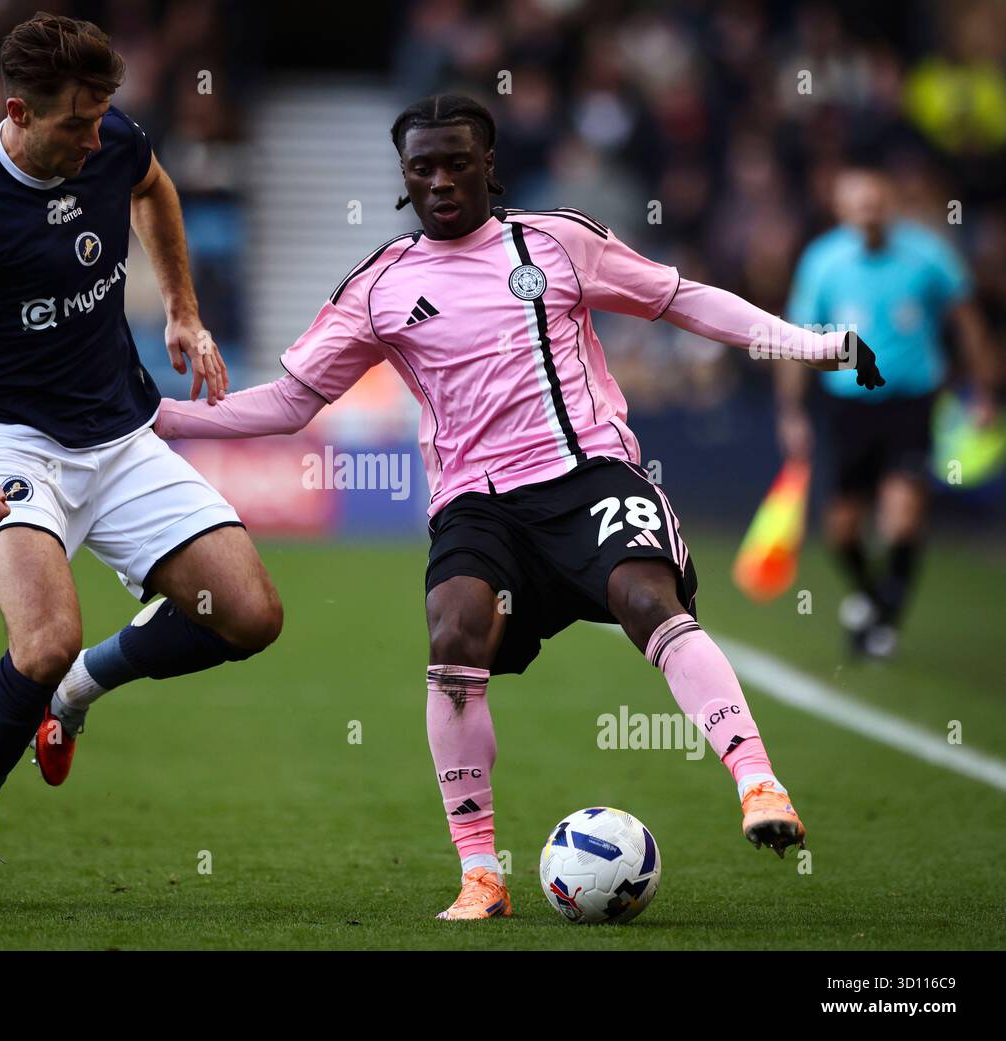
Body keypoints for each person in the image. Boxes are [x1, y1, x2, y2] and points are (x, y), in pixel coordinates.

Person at [58, 94, 884, 920]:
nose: (442, 180)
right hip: (477, 508)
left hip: (587, 475)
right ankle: (482, 873)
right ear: (405, 178)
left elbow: (684, 299)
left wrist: (810, 344)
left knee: (643, 595)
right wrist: (155, 416)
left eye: (458, 162)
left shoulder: (557, 242)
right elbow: (287, 404)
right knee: (453, 632)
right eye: (424, 167)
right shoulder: (380, 287)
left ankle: (758, 783)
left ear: (490, 165)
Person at [0, 13, 282, 909]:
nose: (97, 137)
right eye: (77, 123)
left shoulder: (112, 140)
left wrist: (182, 306)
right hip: (8, 441)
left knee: (251, 615)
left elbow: (155, 189)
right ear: (19, 111)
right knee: (41, 636)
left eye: (104, 117)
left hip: (118, 433)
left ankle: (80, 687)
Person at [778, 164, 998, 659]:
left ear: (890, 204)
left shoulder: (928, 256)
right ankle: (872, 599)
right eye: (857, 204)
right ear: (841, 209)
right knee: (842, 529)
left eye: (876, 202)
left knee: (901, 518)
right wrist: (791, 411)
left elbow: (968, 321)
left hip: (911, 402)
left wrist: (983, 392)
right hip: (847, 404)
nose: (868, 212)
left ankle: (883, 622)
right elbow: (796, 339)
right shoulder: (824, 261)